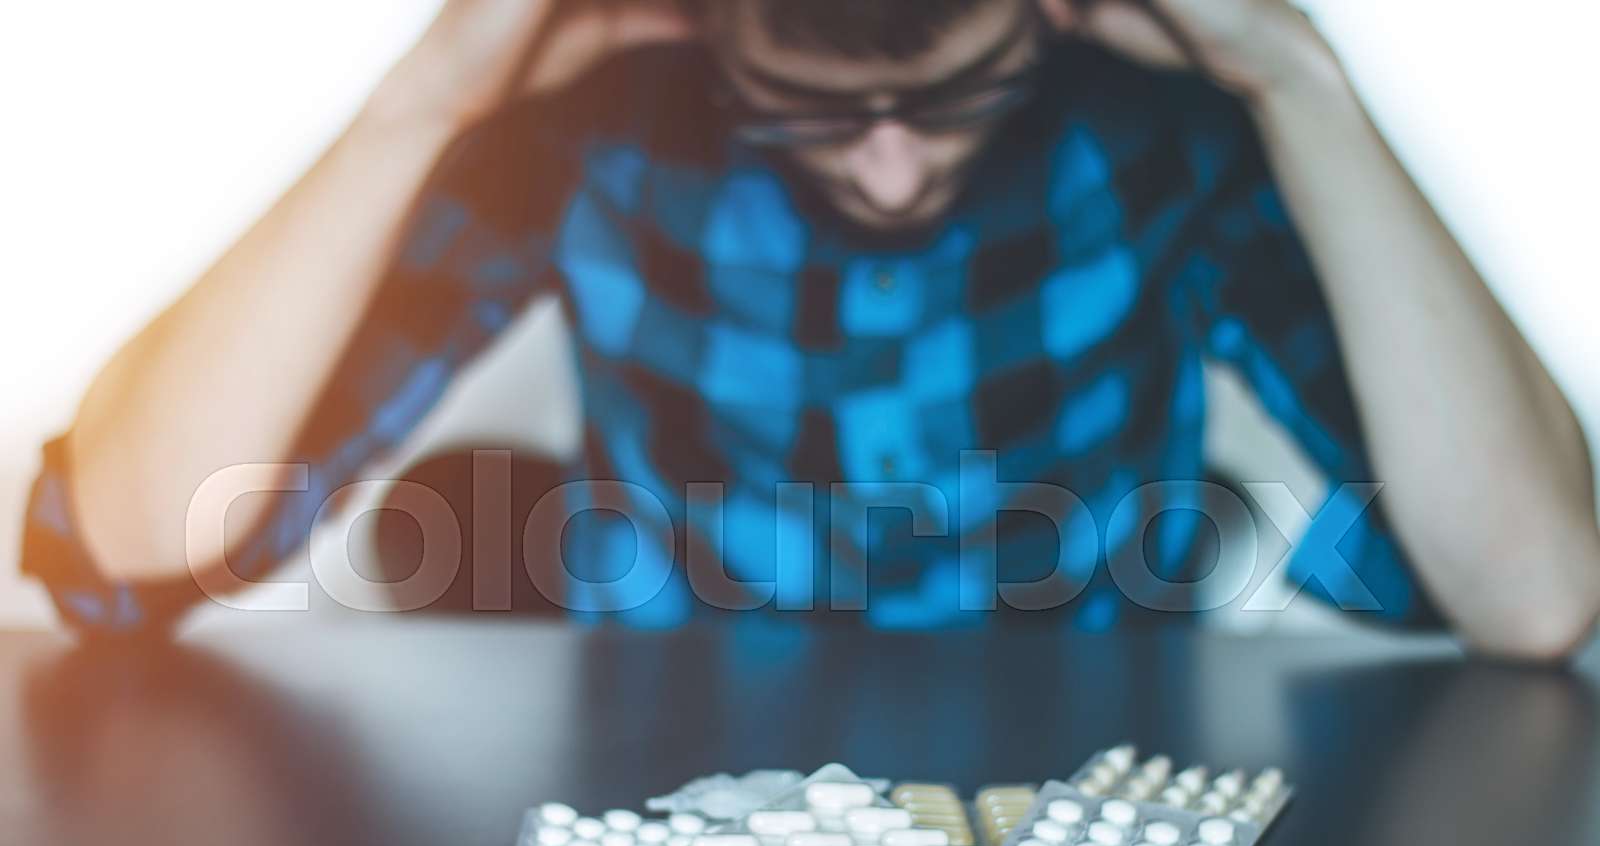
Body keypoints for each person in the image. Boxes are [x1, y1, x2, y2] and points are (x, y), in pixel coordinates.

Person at [21, 0, 1600, 657]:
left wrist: (1297, 77)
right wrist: (428, 92)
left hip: (1094, 794)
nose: (897, 167)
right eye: (813, 110)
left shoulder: (1168, 136)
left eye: (957, 91)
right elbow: (126, 549)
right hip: (676, 817)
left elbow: (1534, 594)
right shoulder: (588, 131)